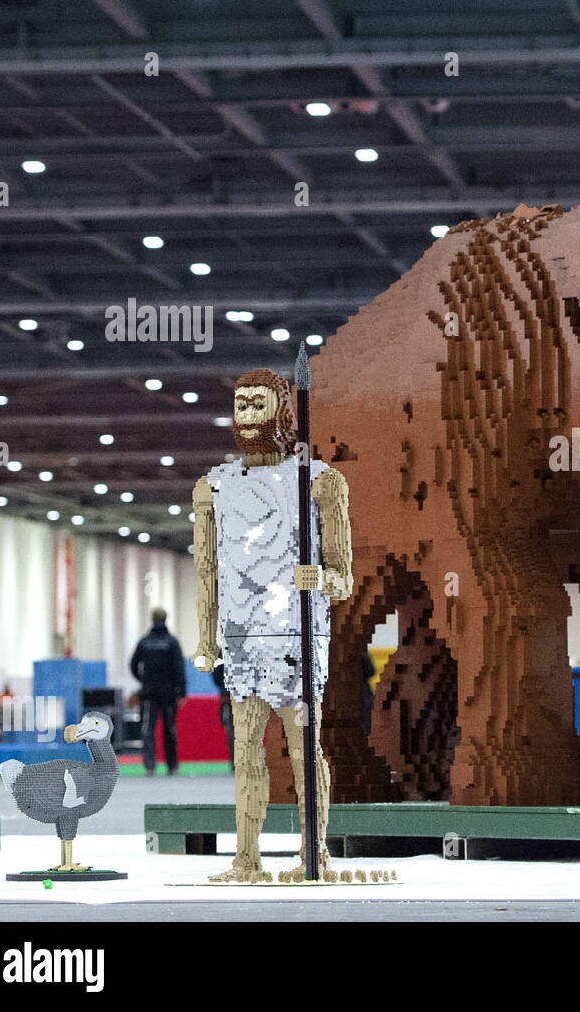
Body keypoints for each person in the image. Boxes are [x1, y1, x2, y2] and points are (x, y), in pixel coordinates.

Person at [192, 368, 352, 882]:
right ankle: (246, 858)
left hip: (297, 635)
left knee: (305, 749)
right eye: (240, 405)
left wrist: (322, 577)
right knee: (245, 751)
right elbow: (207, 569)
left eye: (258, 404)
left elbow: (345, 577)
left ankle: (316, 853)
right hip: (242, 638)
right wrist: (205, 636)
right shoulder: (213, 487)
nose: (247, 416)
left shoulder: (322, 480)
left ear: (282, 409)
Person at [130, 607, 186, 776]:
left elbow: (133, 664)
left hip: (148, 693)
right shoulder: (172, 642)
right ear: (166, 618)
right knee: (169, 728)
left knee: (147, 728)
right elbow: (179, 669)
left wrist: (143, 680)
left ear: (152, 619)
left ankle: (149, 764)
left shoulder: (144, 642)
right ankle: (172, 764)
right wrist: (181, 692)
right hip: (169, 693)